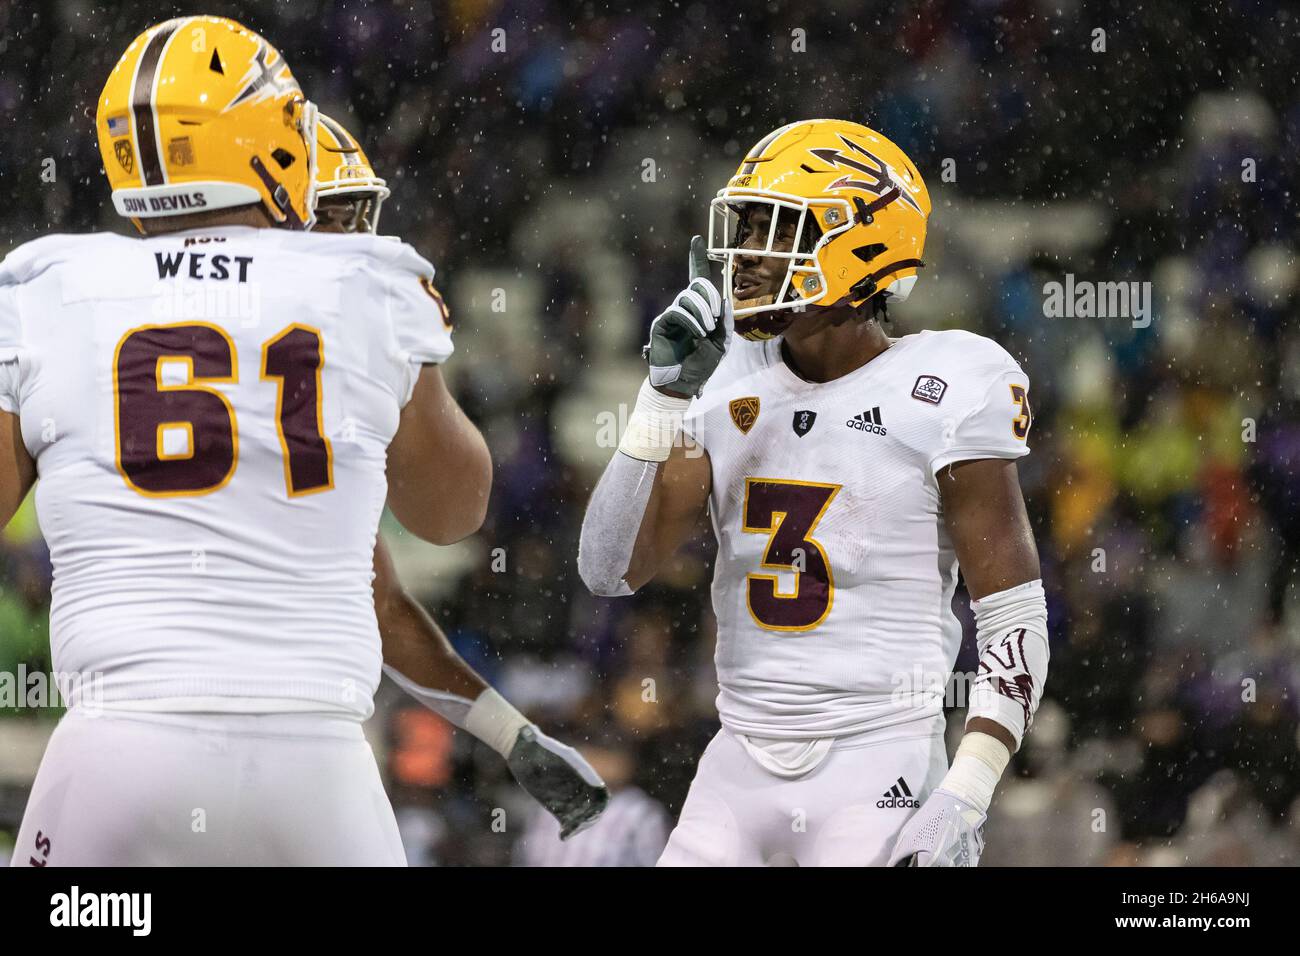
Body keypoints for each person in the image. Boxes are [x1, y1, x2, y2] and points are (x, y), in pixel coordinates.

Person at [0, 16, 490, 865]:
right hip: (318, 765)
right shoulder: (367, 284)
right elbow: (453, 512)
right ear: (264, 136)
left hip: (120, 748)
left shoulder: (49, 287)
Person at [579, 119, 1050, 866]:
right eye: (747, 225)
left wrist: (966, 791)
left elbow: (1015, 618)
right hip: (736, 761)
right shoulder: (723, 373)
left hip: (880, 759)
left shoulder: (948, 383)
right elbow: (608, 568)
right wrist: (660, 399)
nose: (746, 256)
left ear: (861, 244)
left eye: (778, 228)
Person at [311, 113, 608, 839]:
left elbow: (381, 605)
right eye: (331, 215)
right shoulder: (339, 355)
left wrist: (512, 736)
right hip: (301, 747)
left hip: (125, 732)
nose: (355, 236)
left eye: (357, 216)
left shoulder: (94, 314)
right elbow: (453, 515)